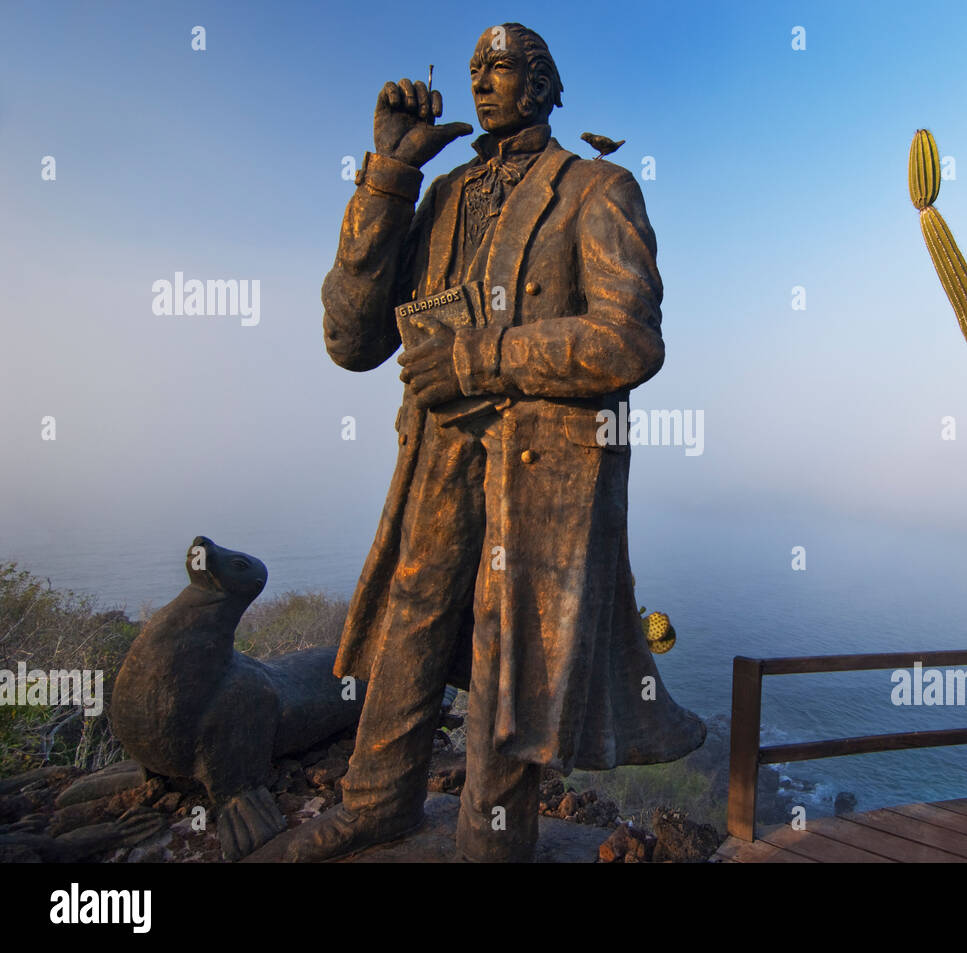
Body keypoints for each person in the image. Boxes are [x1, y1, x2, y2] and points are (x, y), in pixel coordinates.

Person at [286, 23, 704, 863]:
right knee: (412, 615)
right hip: (436, 452)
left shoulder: (597, 187)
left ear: (547, 87)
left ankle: (491, 842)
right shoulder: (435, 197)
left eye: (503, 65)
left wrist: (480, 356)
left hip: (540, 469)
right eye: (474, 65)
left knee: (508, 644)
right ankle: (378, 803)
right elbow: (350, 339)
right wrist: (389, 174)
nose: (483, 78)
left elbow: (631, 341)